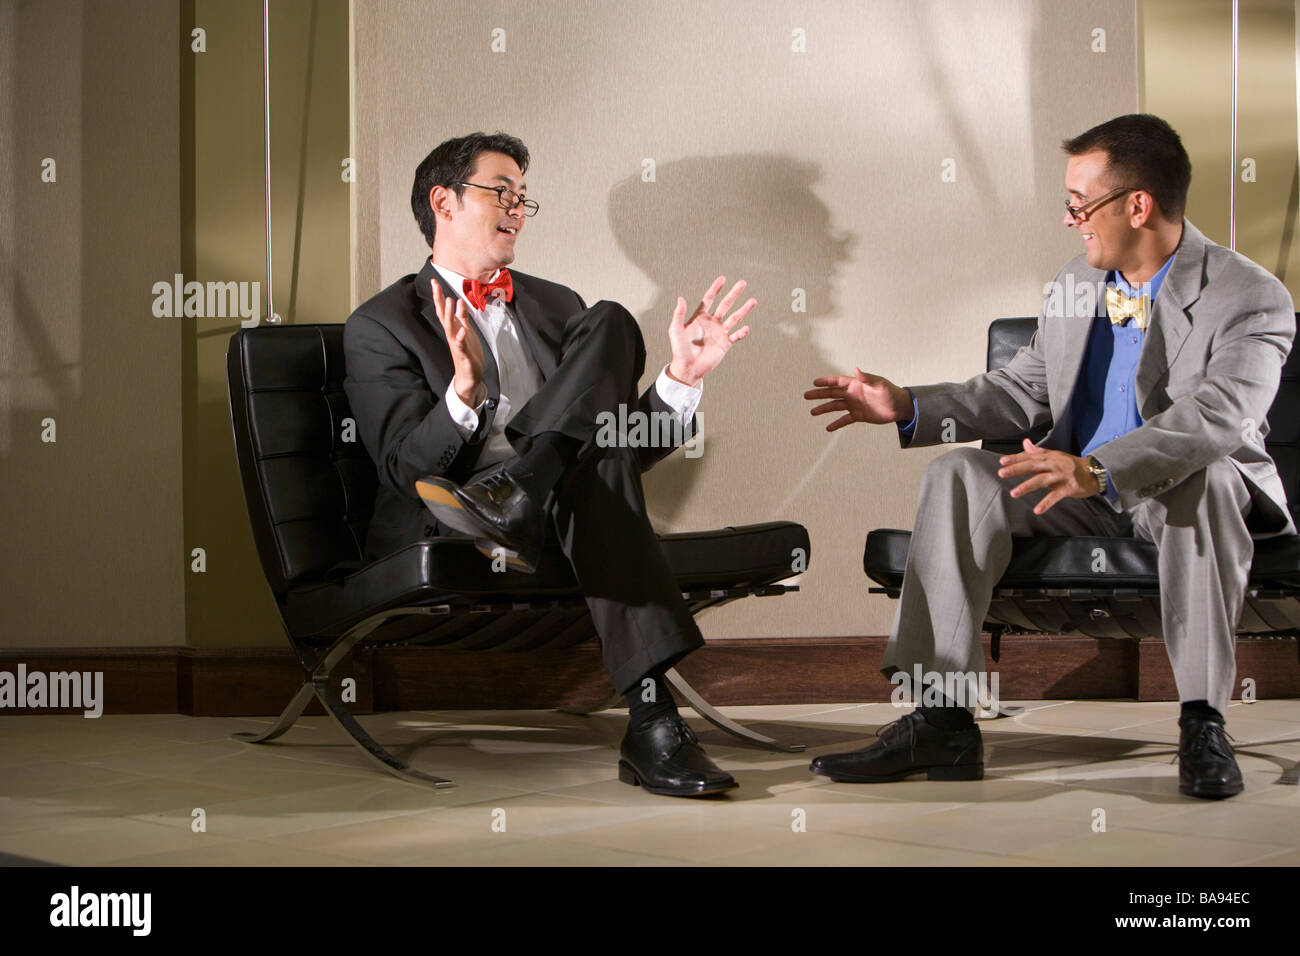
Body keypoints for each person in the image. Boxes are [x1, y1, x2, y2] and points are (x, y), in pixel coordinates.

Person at [803, 114, 1295, 799]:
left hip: (1175, 488)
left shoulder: (1249, 295)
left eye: (1078, 204)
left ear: (1138, 205)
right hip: (1077, 497)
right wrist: (911, 404)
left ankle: (1203, 721)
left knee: (1208, 480)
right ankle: (942, 715)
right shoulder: (1079, 282)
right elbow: (1025, 387)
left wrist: (1097, 467)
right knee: (957, 476)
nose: (1069, 220)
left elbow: (1219, 417)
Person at [343, 132, 755, 797]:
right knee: (592, 478)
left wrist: (682, 377)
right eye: (500, 192)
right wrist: (462, 398)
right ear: (443, 202)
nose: (516, 208)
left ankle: (525, 487)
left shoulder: (559, 305)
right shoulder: (380, 325)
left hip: (550, 508)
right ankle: (654, 726)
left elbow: (623, 445)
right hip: (456, 512)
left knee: (614, 324)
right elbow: (401, 469)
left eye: (524, 198)